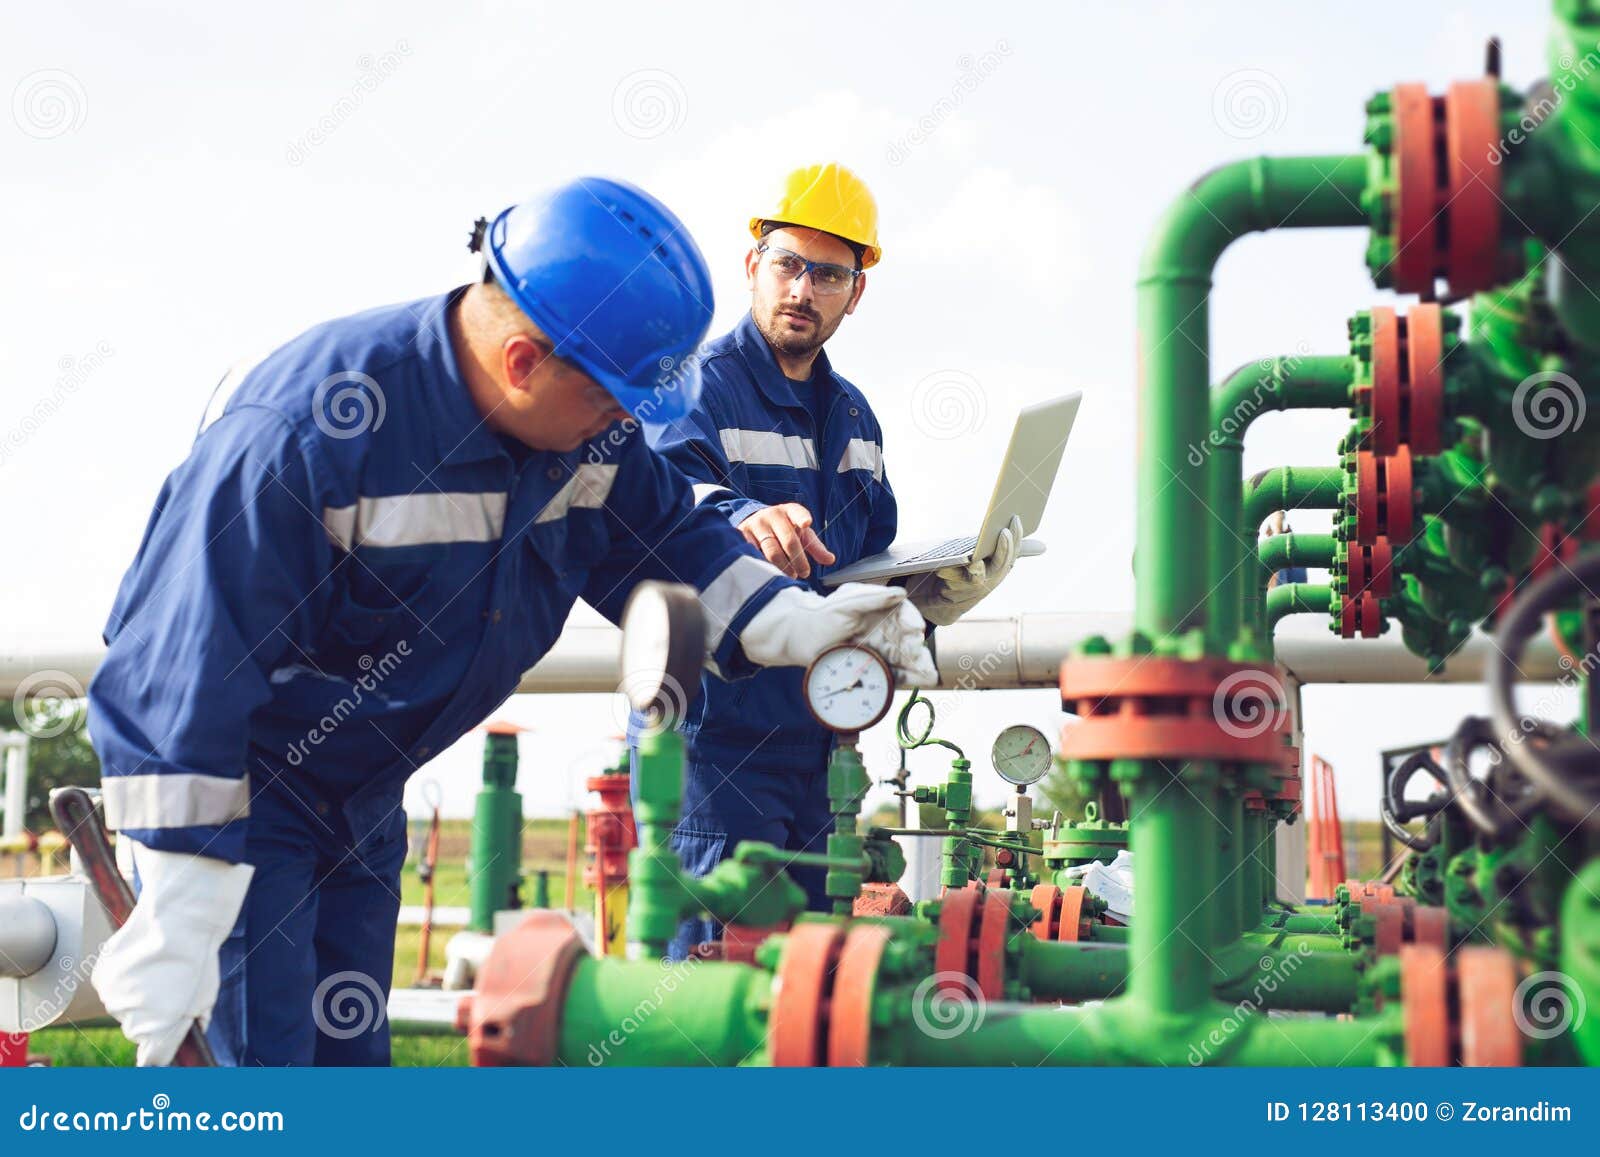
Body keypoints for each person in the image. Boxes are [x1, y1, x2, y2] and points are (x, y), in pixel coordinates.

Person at [87, 176, 934, 1067]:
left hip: (363, 797)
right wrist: (183, 894)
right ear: (523, 361)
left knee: (349, 1069)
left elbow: (672, 540)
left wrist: (805, 625)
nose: (624, 427)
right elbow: (175, 667)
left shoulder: (581, 432)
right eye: (614, 402)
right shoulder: (309, 436)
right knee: (259, 1078)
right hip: (245, 809)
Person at [638, 162, 1019, 956]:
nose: (802, 289)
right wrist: (747, 515)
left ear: (857, 290)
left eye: (828, 273)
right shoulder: (696, 388)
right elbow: (660, 508)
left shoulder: (856, 420)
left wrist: (944, 590)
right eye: (787, 264)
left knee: (805, 992)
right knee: (709, 997)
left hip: (824, 747)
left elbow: (866, 565)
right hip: (713, 751)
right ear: (752, 265)